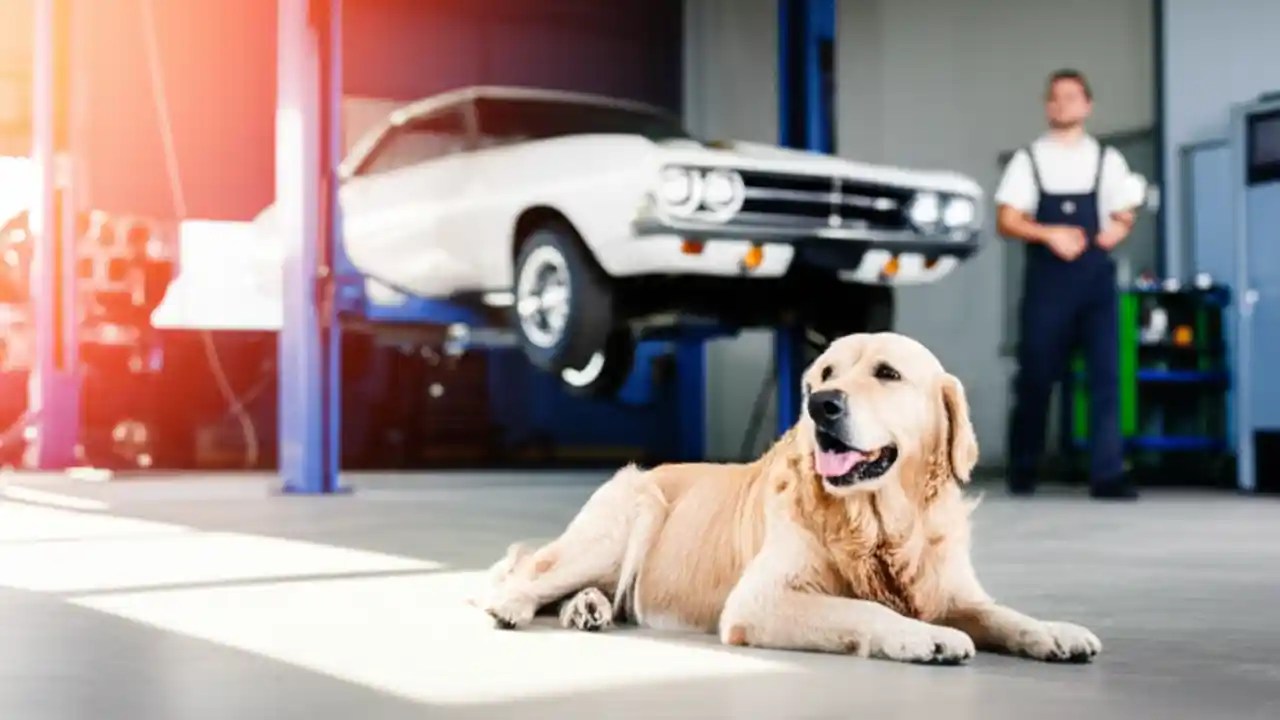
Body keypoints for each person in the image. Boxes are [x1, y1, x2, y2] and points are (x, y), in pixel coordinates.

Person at [995, 68, 1140, 500]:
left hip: (1095, 282)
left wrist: (1119, 228)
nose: (1063, 105)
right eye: (1056, 98)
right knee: (1036, 377)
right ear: (1047, 105)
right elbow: (1007, 218)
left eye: (1072, 97)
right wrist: (1050, 234)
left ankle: (1107, 474)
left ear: (1087, 105)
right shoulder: (1030, 159)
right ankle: (1023, 470)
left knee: (1105, 376)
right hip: (1048, 283)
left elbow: (1125, 208)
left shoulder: (1107, 159)